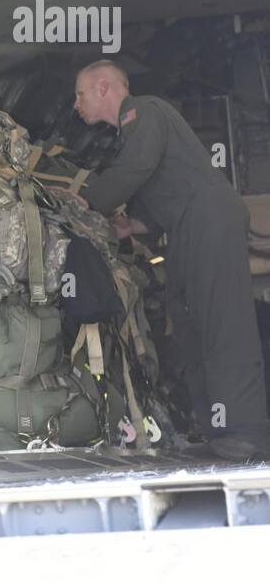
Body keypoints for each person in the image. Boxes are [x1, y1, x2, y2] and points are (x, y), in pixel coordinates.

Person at [74, 59, 270, 459]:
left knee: (222, 323)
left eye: (79, 94)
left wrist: (86, 201)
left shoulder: (144, 111)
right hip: (185, 229)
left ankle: (247, 431)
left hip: (208, 220)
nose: (75, 105)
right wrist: (133, 226)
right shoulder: (131, 132)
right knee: (190, 323)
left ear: (104, 88)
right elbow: (160, 186)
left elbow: (136, 169)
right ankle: (218, 428)